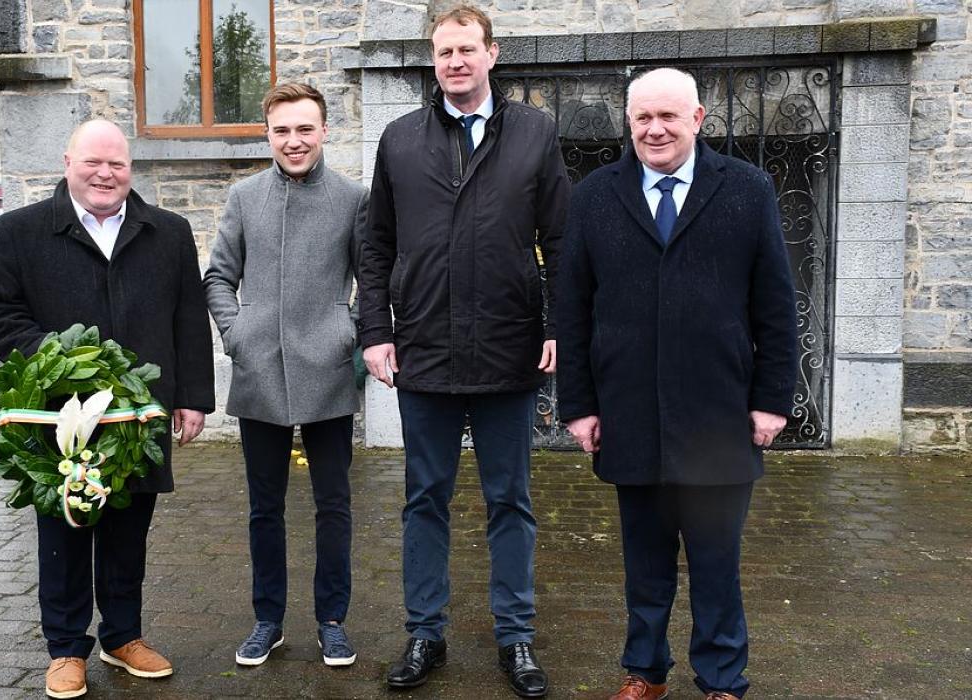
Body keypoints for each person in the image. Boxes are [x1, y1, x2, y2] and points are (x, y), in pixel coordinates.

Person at [556, 67, 797, 700]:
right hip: (629, 409)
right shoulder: (594, 197)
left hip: (718, 411)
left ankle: (721, 678)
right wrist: (578, 407)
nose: (654, 129)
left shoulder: (747, 190)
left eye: (668, 116)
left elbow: (776, 304)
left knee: (717, 562)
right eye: (642, 118)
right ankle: (644, 671)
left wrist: (772, 400)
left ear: (697, 119)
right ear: (628, 123)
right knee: (645, 563)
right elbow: (572, 308)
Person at [357, 5, 570, 697]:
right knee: (425, 499)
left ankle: (516, 638)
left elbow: (563, 241)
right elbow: (374, 245)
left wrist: (558, 324)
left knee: (510, 500)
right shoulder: (399, 140)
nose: (455, 62)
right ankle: (425, 632)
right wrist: (375, 331)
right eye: (444, 51)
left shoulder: (535, 135)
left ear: (492, 54)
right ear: (434, 59)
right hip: (425, 351)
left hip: (509, 352)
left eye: (467, 50)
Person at [0, 119, 215, 699]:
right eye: (93, 163)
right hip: (61, 419)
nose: (106, 174)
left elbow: (189, 317)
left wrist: (192, 398)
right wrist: (68, 365)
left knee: (129, 530)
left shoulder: (170, 231)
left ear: (131, 169)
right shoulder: (18, 232)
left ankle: (123, 635)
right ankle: (65, 648)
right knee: (63, 529)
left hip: (139, 419)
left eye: (118, 164)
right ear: (68, 163)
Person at [203, 82, 368, 669]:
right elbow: (218, 278)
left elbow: (373, 282)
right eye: (281, 130)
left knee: (334, 504)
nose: (293, 141)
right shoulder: (245, 197)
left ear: (324, 131)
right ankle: (267, 619)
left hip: (327, 370)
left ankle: (332, 620)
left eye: (304, 129)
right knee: (262, 506)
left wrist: (344, 331)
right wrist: (238, 333)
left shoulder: (353, 198)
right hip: (260, 373)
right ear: (267, 134)